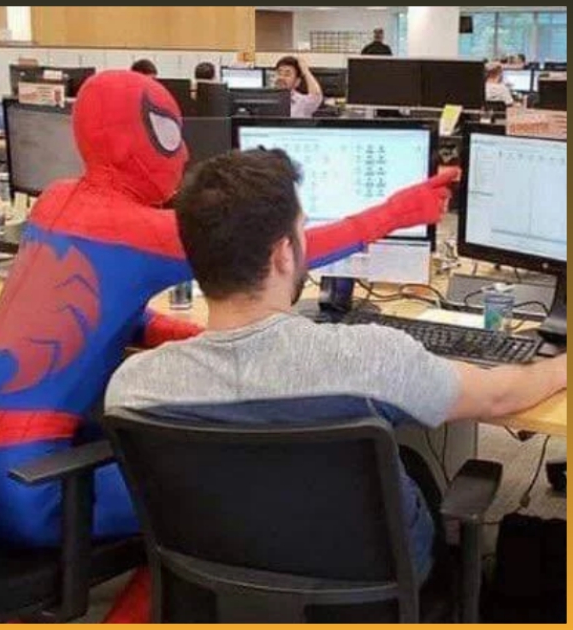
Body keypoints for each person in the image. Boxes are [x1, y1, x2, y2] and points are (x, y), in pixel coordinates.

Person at [0, 69, 457, 550]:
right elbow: (278, 244)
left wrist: (185, 336)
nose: (184, 149)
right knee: (227, 483)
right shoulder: (131, 226)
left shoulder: (56, 199)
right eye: (170, 132)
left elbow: (98, 306)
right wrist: (399, 212)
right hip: (32, 493)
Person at [102, 149, 565, 621]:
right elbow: (500, 395)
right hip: (374, 600)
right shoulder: (369, 359)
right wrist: (560, 368)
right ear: (284, 254)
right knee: (409, 468)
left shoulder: (135, 386)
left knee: (400, 461)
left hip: (218, 591)